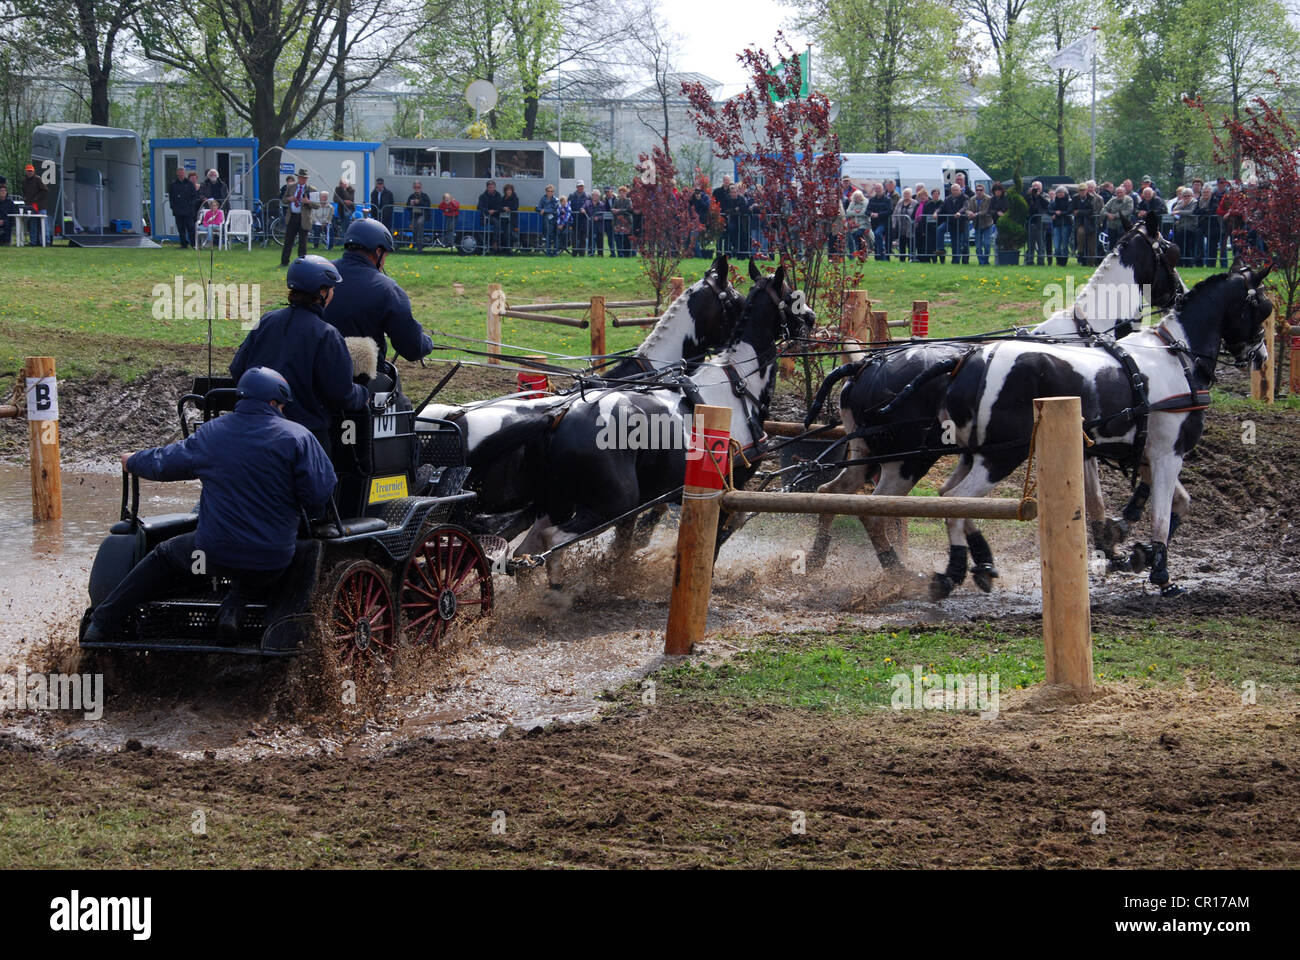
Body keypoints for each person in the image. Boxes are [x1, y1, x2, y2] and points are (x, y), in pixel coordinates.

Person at [80, 367, 337, 646]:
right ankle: (236, 610)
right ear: (274, 403)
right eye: (283, 406)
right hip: (273, 560)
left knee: (164, 554)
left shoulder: (212, 433)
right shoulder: (299, 438)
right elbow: (318, 496)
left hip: (213, 555)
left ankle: (102, 623)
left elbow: (164, 462)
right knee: (258, 557)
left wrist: (132, 460)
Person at [231, 256, 368, 453]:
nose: (333, 293)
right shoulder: (326, 335)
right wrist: (363, 394)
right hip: (307, 437)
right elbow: (340, 394)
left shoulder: (267, 321)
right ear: (322, 292)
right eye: (332, 289)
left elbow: (237, 370)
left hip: (256, 429)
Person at [324, 219, 434, 367]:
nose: (384, 264)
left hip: (313, 368)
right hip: (359, 377)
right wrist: (426, 342)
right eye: (385, 256)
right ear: (378, 252)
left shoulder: (322, 272)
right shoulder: (387, 289)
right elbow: (412, 348)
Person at [279, 168, 316, 267]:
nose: (303, 180)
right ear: (298, 177)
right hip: (292, 217)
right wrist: (289, 199)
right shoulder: (291, 187)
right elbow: (283, 200)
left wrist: (308, 202)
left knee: (302, 242)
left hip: (304, 218)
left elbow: (317, 205)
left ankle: (302, 263)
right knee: (288, 240)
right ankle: (284, 261)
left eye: (305, 178)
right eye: (301, 178)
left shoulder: (312, 189)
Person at [1072, 180, 1103, 266]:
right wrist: (1082, 212)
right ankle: (1081, 255)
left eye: (1084, 189)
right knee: (1080, 234)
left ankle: (1091, 263)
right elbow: (1072, 209)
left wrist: (1079, 212)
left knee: (1091, 245)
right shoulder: (1075, 198)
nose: (1084, 191)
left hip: (1092, 223)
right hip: (1081, 223)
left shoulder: (1094, 198)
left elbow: (1092, 211)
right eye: (1081, 190)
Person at [167, 166, 197, 249]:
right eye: (179, 172)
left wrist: (191, 206)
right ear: (177, 173)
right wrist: (173, 207)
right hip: (178, 210)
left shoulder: (190, 184)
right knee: (180, 228)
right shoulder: (173, 184)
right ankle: (184, 244)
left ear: (185, 173)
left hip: (188, 211)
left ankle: (194, 244)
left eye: (183, 172)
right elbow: (171, 197)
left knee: (191, 228)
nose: (181, 174)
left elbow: (194, 196)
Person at [939, 183, 969, 264]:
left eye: (956, 190)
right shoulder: (948, 198)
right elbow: (942, 208)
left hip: (962, 223)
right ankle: (942, 251)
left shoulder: (964, 197)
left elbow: (965, 206)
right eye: (953, 190)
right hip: (951, 222)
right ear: (951, 191)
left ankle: (965, 261)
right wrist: (936, 212)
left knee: (964, 243)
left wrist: (959, 212)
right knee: (942, 231)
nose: (955, 191)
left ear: (960, 190)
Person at [965, 182, 994, 265]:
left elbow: (986, 210)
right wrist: (969, 212)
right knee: (978, 246)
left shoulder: (988, 199)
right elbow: (967, 209)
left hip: (987, 224)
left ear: (984, 190)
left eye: (980, 190)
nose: (978, 191)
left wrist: (976, 214)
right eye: (977, 190)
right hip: (977, 225)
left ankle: (986, 261)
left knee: (987, 244)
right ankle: (981, 262)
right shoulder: (972, 199)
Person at [1024, 181, 1050, 266]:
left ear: (1041, 188)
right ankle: (1029, 261)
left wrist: (1039, 196)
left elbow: (1047, 204)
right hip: (1031, 222)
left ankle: (1041, 261)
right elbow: (1025, 205)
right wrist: (1029, 195)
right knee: (1030, 244)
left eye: (1038, 188)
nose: (1036, 189)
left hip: (1041, 223)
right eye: (1034, 187)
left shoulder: (1045, 195)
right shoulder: (1029, 196)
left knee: (1041, 244)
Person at [477, 179, 505, 251]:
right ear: (487, 187)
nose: (491, 188)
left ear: (495, 187)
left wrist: (494, 211)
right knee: (496, 222)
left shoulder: (498, 195)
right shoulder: (482, 196)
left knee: (500, 223)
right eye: (490, 187)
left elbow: (500, 207)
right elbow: (479, 207)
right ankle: (494, 243)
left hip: (496, 215)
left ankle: (499, 244)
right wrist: (488, 211)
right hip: (485, 216)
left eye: (492, 187)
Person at [867, 183, 892, 260]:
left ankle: (882, 254)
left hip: (884, 223)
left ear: (883, 189)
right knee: (876, 239)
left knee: (878, 234)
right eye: (876, 188)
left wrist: (879, 214)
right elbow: (867, 210)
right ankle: (878, 257)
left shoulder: (887, 199)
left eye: (879, 188)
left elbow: (890, 210)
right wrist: (871, 213)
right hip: (874, 223)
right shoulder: (872, 199)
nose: (878, 190)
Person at [894, 187, 919, 261]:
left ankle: (911, 258)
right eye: (905, 193)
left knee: (911, 244)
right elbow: (895, 212)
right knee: (902, 243)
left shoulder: (915, 203)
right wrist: (894, 224)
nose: (906, 195)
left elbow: (916, 214)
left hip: (911, 227)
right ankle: (902, 259)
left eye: (908, 194)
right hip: (901, 227)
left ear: (911, 194)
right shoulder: (900, 202)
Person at [1050, 185, 1072, 266]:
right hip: (1056, 225)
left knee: (1065, 243)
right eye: (1058, 192)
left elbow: (1069, 210)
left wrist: (1061, 213)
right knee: (1056, 244)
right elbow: (1049, 209)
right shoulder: (1054, 202)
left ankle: (1064, 261)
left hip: (1066, 224)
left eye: (1061, 192)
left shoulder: (1069, 201)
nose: (1059, 194)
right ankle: (1058, 261)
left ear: (1065, 193)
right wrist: (1054, 213)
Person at [407, 180, 432, 252]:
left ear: (421, 187)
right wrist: (410, 204)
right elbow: (407, 207)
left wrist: (419, 202)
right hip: (414, 215)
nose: (417, 188)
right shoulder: (411, 196)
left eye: (418, 187)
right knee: (414, 230)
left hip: (423, 215)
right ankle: (417, 244)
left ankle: (419, 248)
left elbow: (428, 205)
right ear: (413, 188)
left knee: (419, 224)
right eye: (415, 187)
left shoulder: (425, 196)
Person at [568, 180, 590, 255]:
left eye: (582, 186)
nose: (581, 187)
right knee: (574, 237)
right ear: (577, 187)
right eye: (579, 186)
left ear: (584, 187)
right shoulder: (571, 196)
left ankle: (582, 253)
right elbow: (568, 206)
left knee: (583, 237)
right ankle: (574, 252)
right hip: (574, 219)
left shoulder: (587, 197)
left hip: (583, 220)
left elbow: (589, 207)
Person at [612, 185, 634, 258]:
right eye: (620, 193)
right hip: (618, 223)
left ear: (626, 193)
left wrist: (618, 210)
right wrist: (613, 210)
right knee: (618, 239)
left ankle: (627, 254)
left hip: (626, 222)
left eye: (623, 193)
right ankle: (620, 254)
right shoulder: (616, 201)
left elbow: (628, 209)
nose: (621, 194)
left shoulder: (628, 200)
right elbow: (613, 208)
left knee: (626, 239)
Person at [845, 189, 869, 255]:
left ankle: (863, 250)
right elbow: (847, 212)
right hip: (854, 224)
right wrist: (856, 212)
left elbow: (864, 212)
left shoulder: (865, 202)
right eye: (856, 197)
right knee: (854, 236)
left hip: (863, 223)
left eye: (859, 196)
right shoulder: (852, 203)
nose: (857, 198)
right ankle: (859, 252)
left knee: (858, 234)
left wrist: (854, 212)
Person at [537, 184, 559, 255]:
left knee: (555, 236)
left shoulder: (555, 199)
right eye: (548, 191)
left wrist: (545, 210)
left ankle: (555, 251)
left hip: (554, 220)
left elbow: (554, 209)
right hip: (546, 221)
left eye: (552, 191)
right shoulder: (543, 198)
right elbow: (538, 207)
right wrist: (541, 210)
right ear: (546, 191)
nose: (550, 192)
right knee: (547, 236)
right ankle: (548, 251)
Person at [500, 182, 520, 252]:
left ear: (512, 191)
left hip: (512, 219)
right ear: (505, 191)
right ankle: (505, 248)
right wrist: (503, 208)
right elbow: (499, 206)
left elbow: (515, 207)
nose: (509, 191)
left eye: (510, 190)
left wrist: (509, 209)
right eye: (507, 190)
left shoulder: (515, 198)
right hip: (504, 219)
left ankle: (509, 248)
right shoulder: (502, 198)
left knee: (509, 233)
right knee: (505, 233)